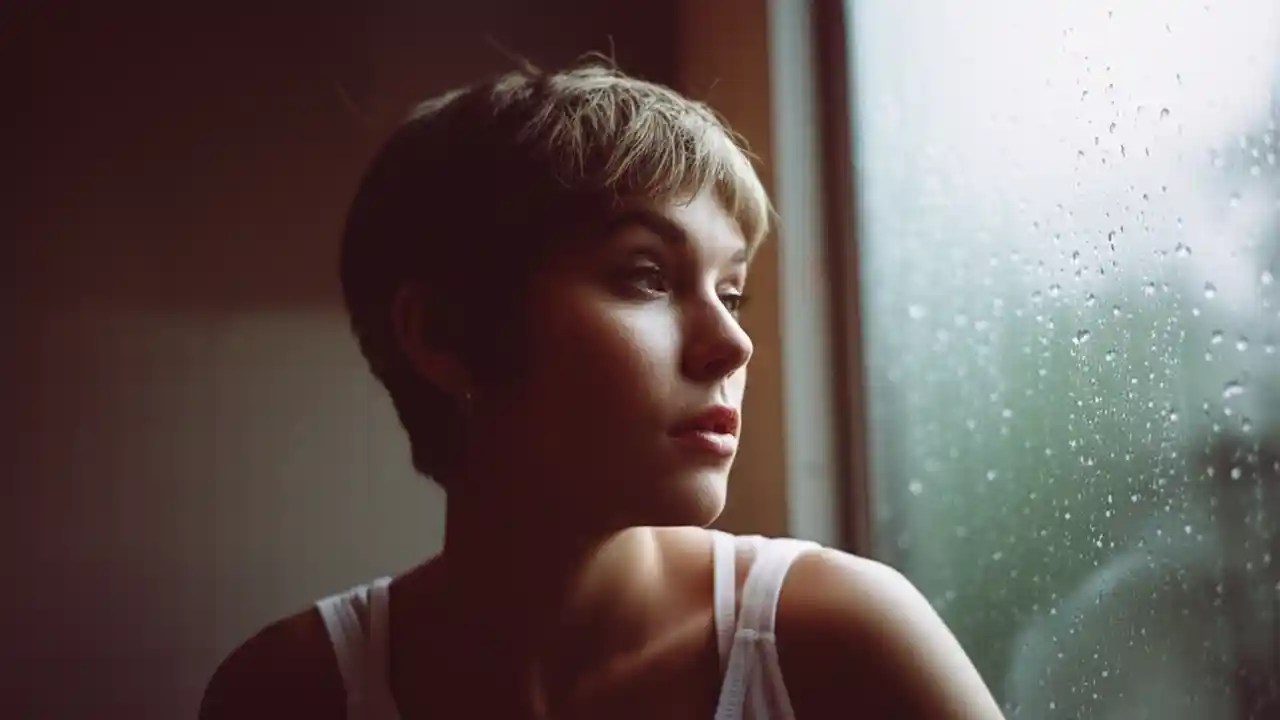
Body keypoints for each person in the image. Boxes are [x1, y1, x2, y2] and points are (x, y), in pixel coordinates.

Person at [198, 59, 1003, 720]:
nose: (733, 343)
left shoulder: (840, 644)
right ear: (442, 335)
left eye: (731, 291)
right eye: (647, 277)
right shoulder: (286, 694)